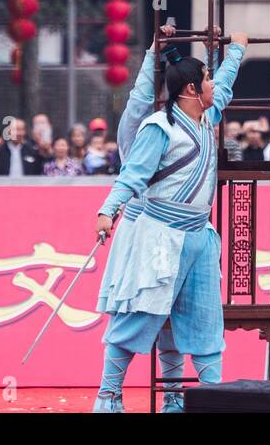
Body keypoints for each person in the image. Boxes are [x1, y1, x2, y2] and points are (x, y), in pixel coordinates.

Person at [91, 32, 248, 413]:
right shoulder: (157, 127)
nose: (213, 85)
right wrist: (108, 211)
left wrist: (236, 52)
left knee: (203, 321)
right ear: (192, 89)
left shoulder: (206, 118)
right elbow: (131, 175)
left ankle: (203, 401)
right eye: (207, 79)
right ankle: (108, 397)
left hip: (200, 238)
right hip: (159, 237)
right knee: (140, 314)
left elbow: (223, 88)